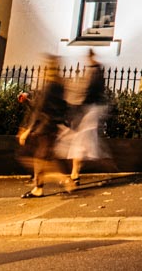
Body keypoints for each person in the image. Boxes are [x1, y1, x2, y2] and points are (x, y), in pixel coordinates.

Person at [15, 57, 66, 197]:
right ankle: (40, 185)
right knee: (42, 157)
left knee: (38, 158)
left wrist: (27, 130)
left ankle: (54, 182)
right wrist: (28, 99)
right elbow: (56, 106)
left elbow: (39, 109)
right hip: (53, 126)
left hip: (44, 126)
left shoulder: (49, 87)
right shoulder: (59, 86)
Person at [59, 51, 110, 189]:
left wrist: (78, 105)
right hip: (90, 112)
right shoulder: (97, 72)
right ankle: (75, 174)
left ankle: (75, 174)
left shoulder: (94, 72)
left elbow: (87, 93)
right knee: (83, 145)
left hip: (87, 113)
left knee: (80, 144)